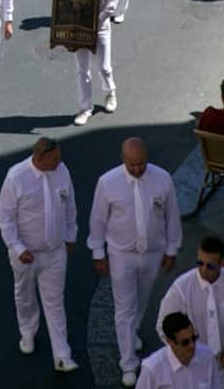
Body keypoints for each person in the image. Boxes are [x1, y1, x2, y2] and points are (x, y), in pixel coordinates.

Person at [88, 137, 182, 387]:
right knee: (124, 309)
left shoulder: (162, 179)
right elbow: (98, 220)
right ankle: (128, 363)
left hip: (153, 253)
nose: (138, 169)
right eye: (132, 164)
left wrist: (172, 249)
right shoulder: (108, 183)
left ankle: (131, 333)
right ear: (123, 159)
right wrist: (98, 252)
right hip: (121, 256)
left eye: (141, 163)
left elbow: (172, 216)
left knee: (142, 300)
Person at [0, 137, 79, 374]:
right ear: (40, 158)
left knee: (55, 302)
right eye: (54, 158)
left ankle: (62, 356)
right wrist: (18, 248)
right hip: (26, 255)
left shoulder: (62, 171)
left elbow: (70, 205)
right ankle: (28, 332)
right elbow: (6, 218)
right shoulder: (16, 177)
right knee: (25, 296)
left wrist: (71, 235)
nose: (59, 161)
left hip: (55, 252)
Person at [156, 235, 224, 388]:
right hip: (193, 365)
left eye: (210, 266)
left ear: (221, 263)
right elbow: (162, 326)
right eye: (200, 263)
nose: (203, 269)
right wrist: (184, 353)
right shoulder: (182, 287)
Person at [72, 0, 123, 125]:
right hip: (79, 26)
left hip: (100, 28)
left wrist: (92, 23)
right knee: (82, 69)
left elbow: (110, 8)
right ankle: (85, 108)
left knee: (104, 67)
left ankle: (110, 92)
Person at [138, 312, 217, 388]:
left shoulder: (208, 356)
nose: (192, 345)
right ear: (169, 341)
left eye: (194, 338)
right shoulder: (152, 370)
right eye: (185, 342)